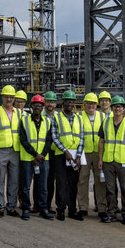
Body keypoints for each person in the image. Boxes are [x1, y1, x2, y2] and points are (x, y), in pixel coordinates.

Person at [97, 95, 125, 224]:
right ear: (112, 108)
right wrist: (100, 159)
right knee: (110, 189)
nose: (117, 109)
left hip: (123, 162)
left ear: (123, 109)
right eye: (115, 106)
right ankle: (111, 213)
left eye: (119, 107)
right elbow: (101, 142)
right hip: (108, 161)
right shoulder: (106, 122)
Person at [18, 95, 54, 220]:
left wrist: (41, 155)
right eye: (35, 105)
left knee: (43, 187)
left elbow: (49, 140)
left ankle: (43, 208)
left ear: (43, 107)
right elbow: (23, 140)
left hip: (43, 159)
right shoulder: (24, 120)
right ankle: (26, 208)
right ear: (31, 106)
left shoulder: (48, 121)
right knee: (26, 186)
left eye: (40, 105)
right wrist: (35, 155)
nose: (37, 107)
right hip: (28, 158)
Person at [52, 90, 84, 220]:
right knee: (61, 183)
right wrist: (65, 151)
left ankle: (72, 210)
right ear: (63, 102)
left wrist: (78, 155)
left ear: (74, 103)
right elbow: (55, 137)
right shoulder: (57, 117)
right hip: (61, 155)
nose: (69, 103)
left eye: (71, 101)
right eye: (67, 101)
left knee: (73, 183)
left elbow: (81, 137)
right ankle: (60, 210)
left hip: (75, 157)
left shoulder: (79, 118)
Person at [0, 85, 21, 217]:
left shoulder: (19, 113)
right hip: (0, 150)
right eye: (6, 97)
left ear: (14, 99)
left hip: (15, 150)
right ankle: (0, 206)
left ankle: (11, 206)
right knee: (0, 180)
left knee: (14, 180)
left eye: (11, 97)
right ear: (2, 97)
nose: (9, 99)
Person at [76, 92, 106, 219]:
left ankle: (102, 208)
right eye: (88, 103)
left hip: (99, 153)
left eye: (93, 104)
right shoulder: (79, 116)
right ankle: (83, 207)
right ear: (84, 105)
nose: (91, 106)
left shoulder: (102, 116)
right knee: (83, 180)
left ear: (97, 105)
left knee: (100, 181)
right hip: (84, 153)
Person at [43, 91, 59, 213]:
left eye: (52, 102)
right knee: (40, 179)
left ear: (56, 104)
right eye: (48, 101)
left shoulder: (58, 117)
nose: (50, 104)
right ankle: (38, 204)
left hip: (54, 152)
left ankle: (48, 204)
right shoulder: (39, 114)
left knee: (51, 179)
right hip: (41, 152)